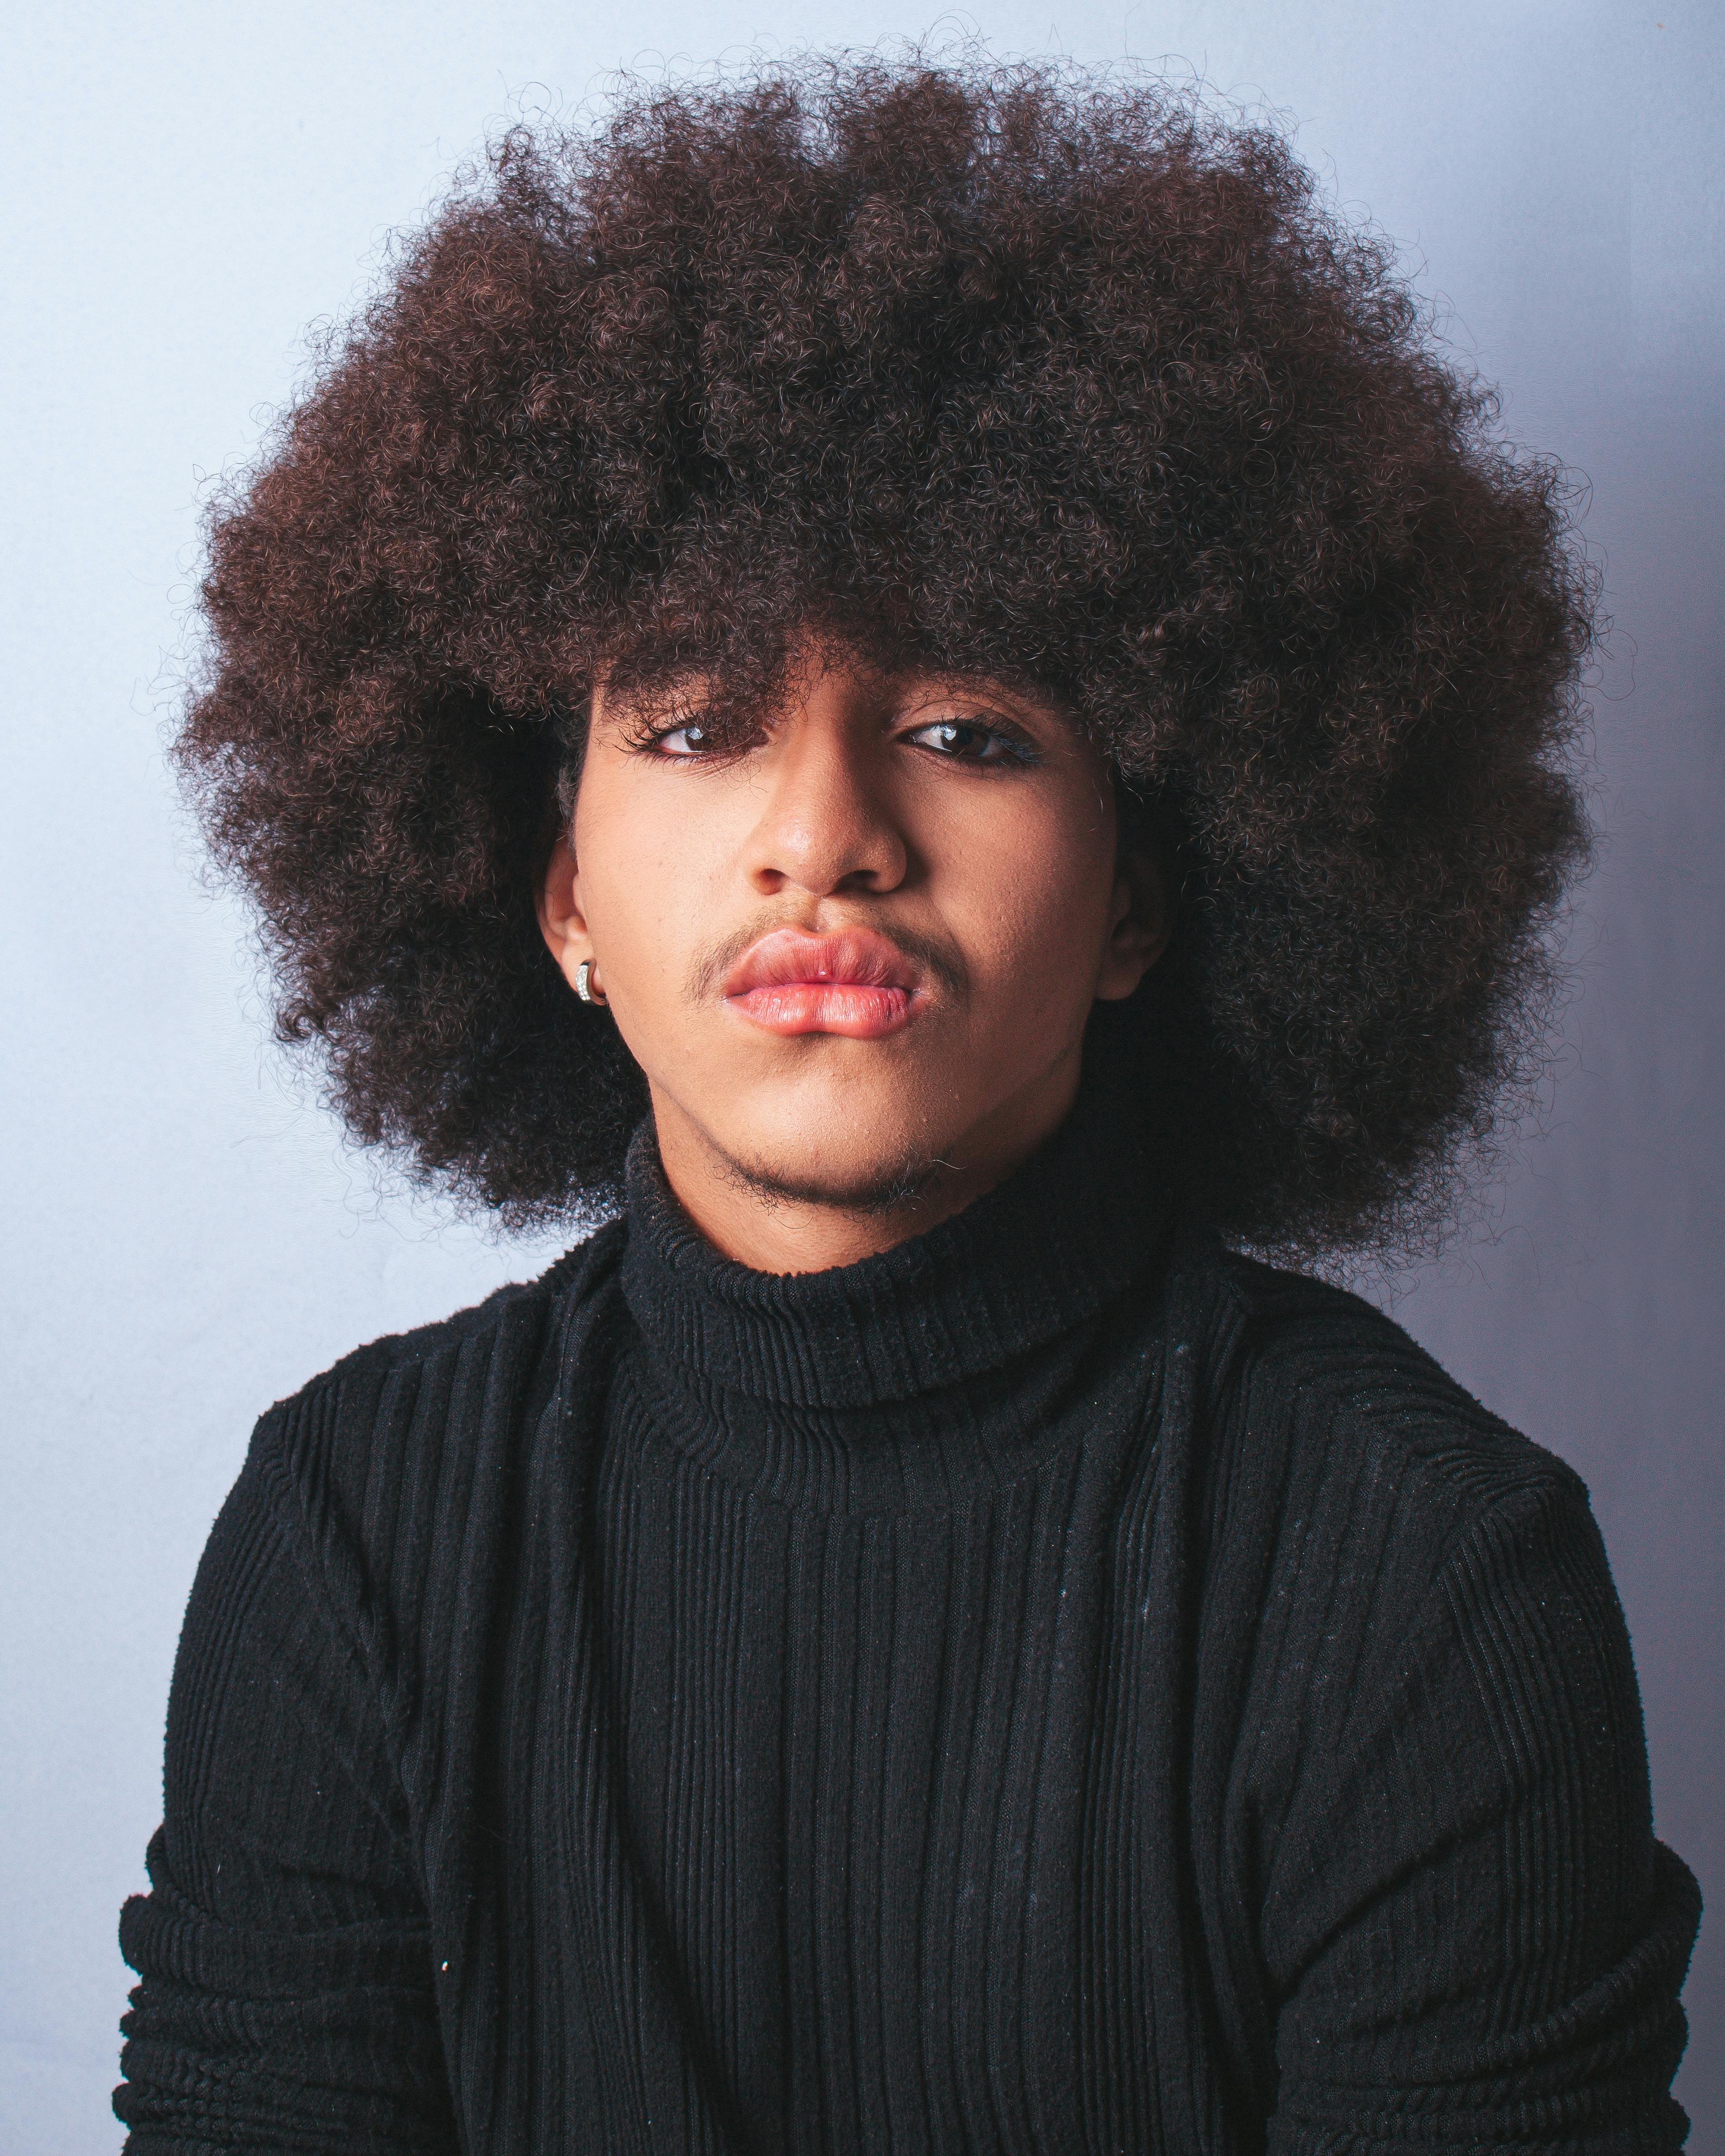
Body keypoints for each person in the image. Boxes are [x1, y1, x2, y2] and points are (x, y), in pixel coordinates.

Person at [114, 56, 1701, 2153]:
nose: (826, 835)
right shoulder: (361, 1541)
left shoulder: (1413, 1578)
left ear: (1141, 896)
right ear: (564, 894)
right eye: (696, 725)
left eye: (966, 724)